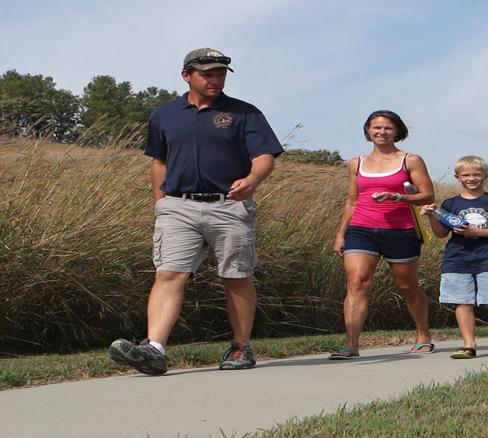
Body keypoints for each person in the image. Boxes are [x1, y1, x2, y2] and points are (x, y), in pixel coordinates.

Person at [108, 48, 284, 376]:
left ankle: (241, 346)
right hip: (177, 206)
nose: (215, 79)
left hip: (229, 205)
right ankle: (154, 350)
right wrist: (160, 202)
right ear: (187, 75)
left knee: (236, 276)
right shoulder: (164, 115)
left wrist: (253, 178)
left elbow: (264, 156)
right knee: (168, 273)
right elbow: (158, 161)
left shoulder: (244, 113)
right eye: (208, 74)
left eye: (220, 74)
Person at [326, 110, 435, 359]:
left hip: (401, 230)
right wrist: (341, 234)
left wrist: (398, 197)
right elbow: (352, 201)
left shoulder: (411, 160)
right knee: (357, 282)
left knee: (406, 285)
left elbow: (428, 195)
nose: (381, 132)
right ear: (367, 131)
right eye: (376, 128)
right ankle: (351, 344)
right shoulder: (356, 163)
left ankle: (423, 334)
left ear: (397, 131)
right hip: (361, 229)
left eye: (387, 128)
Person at [421, 156, 488, 359]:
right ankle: (469, 344)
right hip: (457, 256)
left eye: (476, 174)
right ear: (457, 177)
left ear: (486, 175)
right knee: (461, 300)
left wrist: (477, 232)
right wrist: (431, 215)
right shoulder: (450, 204)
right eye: (466, 175)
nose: (471, 178)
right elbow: (441, 234)